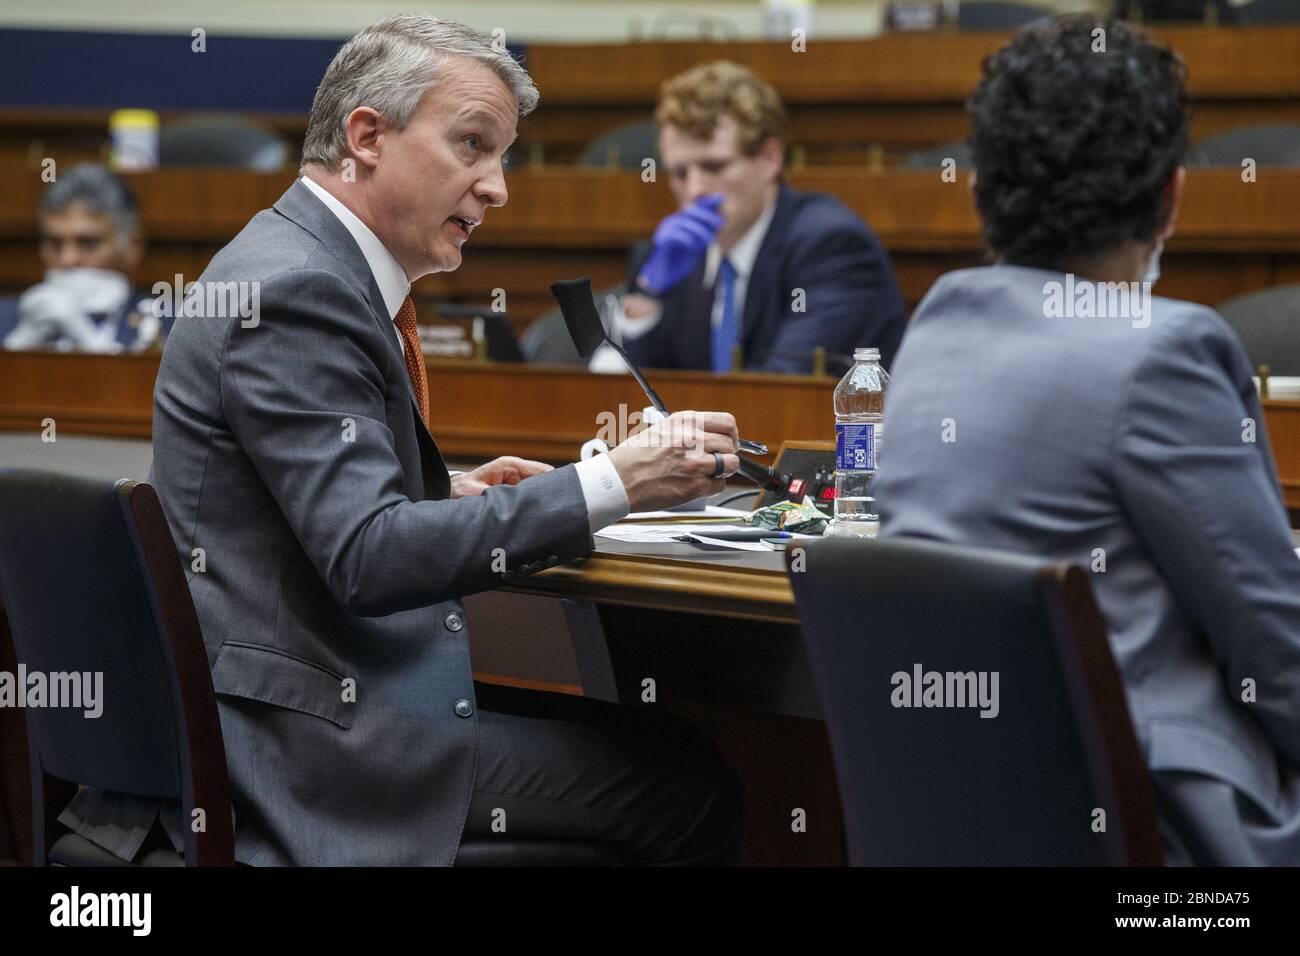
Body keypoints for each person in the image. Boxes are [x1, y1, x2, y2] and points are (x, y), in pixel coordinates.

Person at [59, 15, 744, 866]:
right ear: (367, 136)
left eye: (502, 157)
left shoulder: (288, 258)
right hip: (299, 751)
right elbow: (369, 558)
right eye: (472, 145)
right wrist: (613, 482)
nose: (496, 188)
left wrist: (436, 489)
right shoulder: (299, 288)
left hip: (298, 707)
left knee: (659, 743)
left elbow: (314, 509)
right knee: (689, 784)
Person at [873, 16, 1300, 865]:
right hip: (1163, 834)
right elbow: (1278, 646)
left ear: (979, 191)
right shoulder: (1167, 351)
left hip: (972, 821)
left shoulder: (937, 325)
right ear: (1173, 195)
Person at [601, 61, 905, 375]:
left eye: (714, 167)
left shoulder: (832, 246)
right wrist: (648, 296)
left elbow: (779, 393)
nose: (694, 190)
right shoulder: (677, 255)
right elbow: (637, 395)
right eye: (679, 173)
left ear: (770, 159)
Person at [3, 163, 167, 352]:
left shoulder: (170, 327)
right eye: (55, 244)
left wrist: (90, 341)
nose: (67, 260)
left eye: (89, 243)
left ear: (133, 247)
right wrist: (17, 345)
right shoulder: (6, 319)